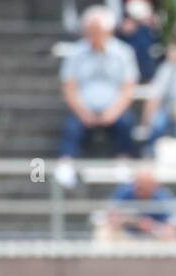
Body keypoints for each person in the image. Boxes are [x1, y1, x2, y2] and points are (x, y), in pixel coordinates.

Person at [57, 4, 140, 185]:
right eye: (90, 30)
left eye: (97, 30)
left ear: (108, 31)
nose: (94, 35)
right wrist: (83, 111)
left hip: (114, 109)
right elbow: (69, 87)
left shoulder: (123, 53)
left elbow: (128, 88)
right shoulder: (75, 52)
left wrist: (113, 112)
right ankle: (67, 164)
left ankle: (123, 162)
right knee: (72, 126)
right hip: (83, 109)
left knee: (126, 123)